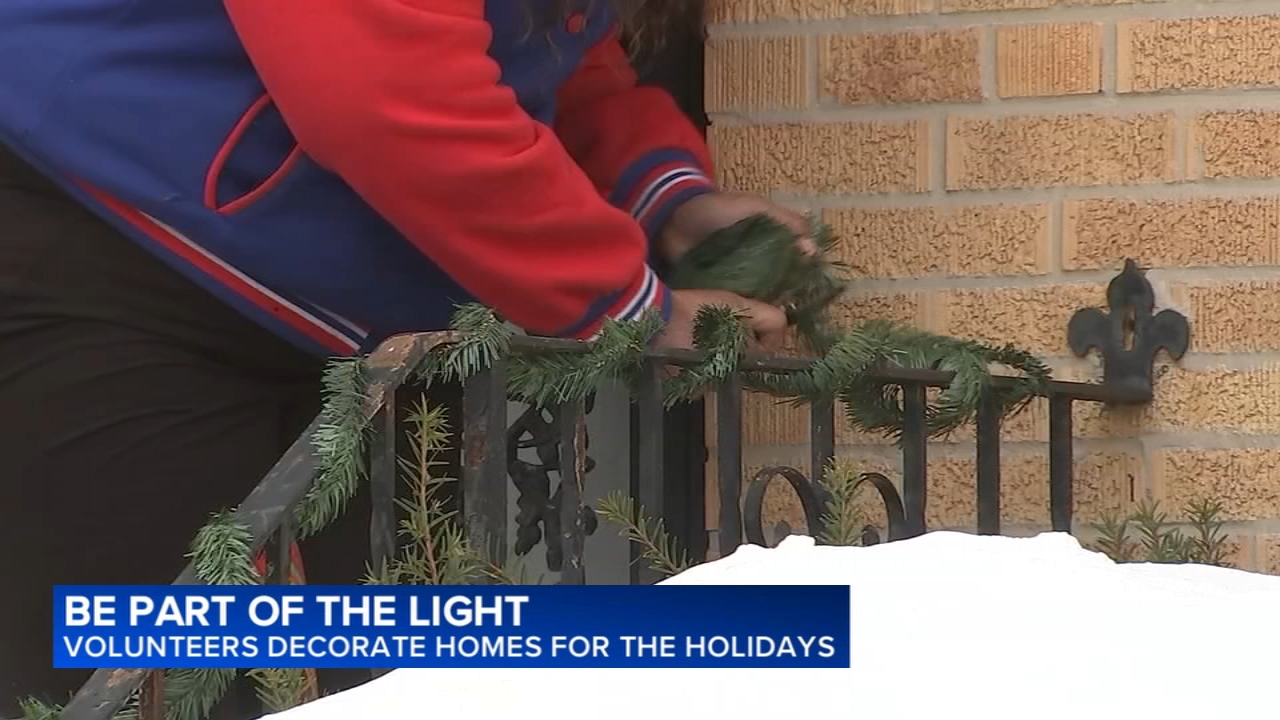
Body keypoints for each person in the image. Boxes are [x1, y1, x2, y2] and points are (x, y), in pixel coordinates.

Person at [0, 0, 808, 713]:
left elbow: (545, 42)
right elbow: (379, 91)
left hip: (356, 312)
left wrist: (658, 193)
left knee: (393, 679)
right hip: (109, 229)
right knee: (136, 669)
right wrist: (629, 307)